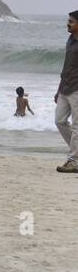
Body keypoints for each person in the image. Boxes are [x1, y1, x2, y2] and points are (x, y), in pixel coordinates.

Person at [54, 11, 78, 172]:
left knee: (77, 126)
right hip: (65, 87)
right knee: (59, 120)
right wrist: (58, 89)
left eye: (71, 21)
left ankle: (74, 160)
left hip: (77, 89)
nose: (68, 24)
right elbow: (66, 66)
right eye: (68, 21)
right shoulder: (70, 40)